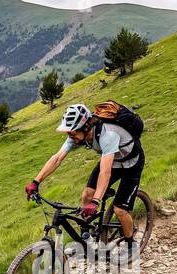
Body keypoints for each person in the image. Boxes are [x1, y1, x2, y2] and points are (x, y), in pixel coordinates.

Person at [25, 102, 145, 260]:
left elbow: (105, 172)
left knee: (120, 210)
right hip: (112, 161)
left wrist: (96, 201)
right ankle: (88, 236)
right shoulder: (77, 136)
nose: (70, 137)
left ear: (86, 127)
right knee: (86, 195)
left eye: (73, 133)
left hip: (131, 163)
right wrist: (36, 182)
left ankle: (131, 244)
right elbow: (57, 158)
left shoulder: (108, 135)